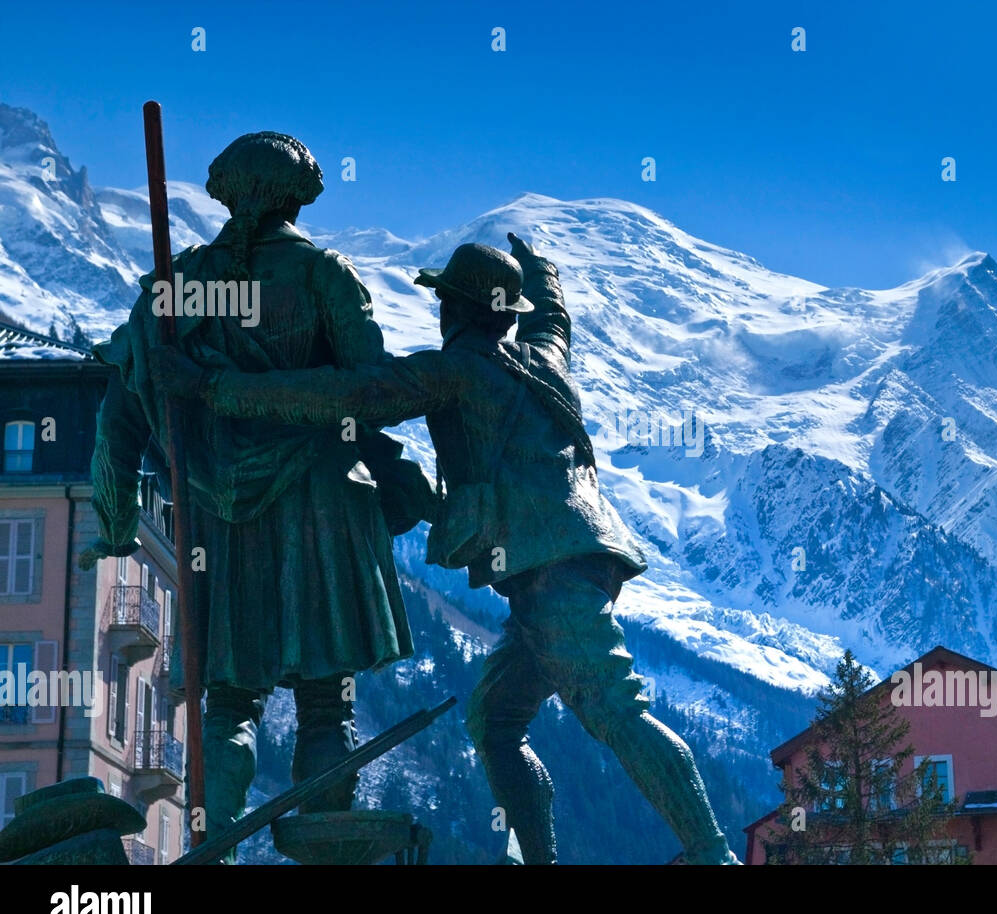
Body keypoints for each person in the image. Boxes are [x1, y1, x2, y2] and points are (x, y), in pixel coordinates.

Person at [152, 234, 739, 864]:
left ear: (451, 309)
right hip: (569, 563)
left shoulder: (453, 371)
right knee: (495, 724)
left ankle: (714, 857)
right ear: (506, 314)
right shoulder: (544, 357)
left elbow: (343, 396)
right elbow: (555, 318)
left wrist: (212, 387)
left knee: (618, 709)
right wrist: (539, 269)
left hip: (551, 571)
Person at [85, 131, 420, 860]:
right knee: (325, 697)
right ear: (296, 196)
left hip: (221, 523)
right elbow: (377, 391)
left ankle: (209, 850)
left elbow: (120, 411)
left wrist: (114, 525)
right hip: (322, 507)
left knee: (230, 702)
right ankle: (328, 850)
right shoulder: (327, 276)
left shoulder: (181, 288)